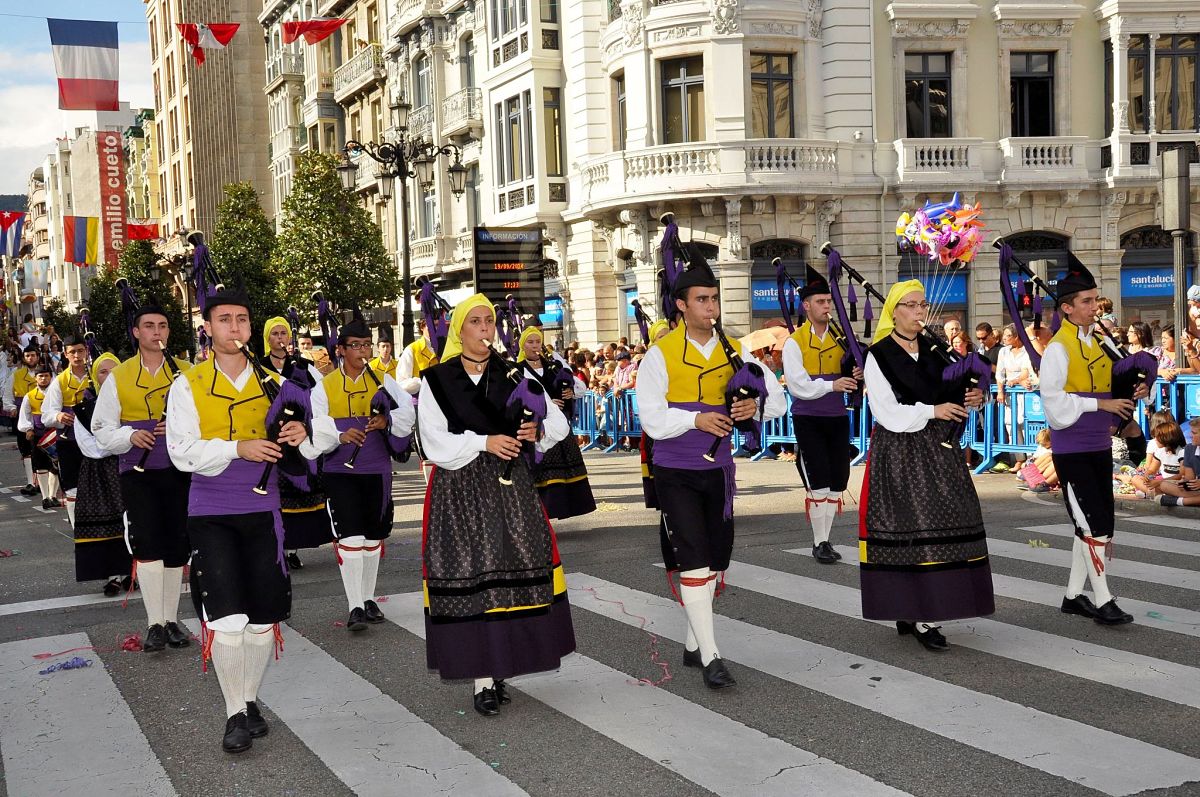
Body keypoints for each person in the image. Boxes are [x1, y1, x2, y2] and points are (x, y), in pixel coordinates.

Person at [166, 285, 319, 754]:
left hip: (263, 512)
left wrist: (300, 433)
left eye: (242, 320)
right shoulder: (187, 384)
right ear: (207, 329)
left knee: (259, 621)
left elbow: (316, 447)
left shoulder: (276, 383)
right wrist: (238, 448)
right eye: (225, 320)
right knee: (227, 618)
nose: (235, 328)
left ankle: (249, 700)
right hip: (211, 512)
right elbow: (181, 452)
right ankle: (235, 713)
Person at [418, 294, 575, 716]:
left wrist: (534, 428)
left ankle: (502, 664)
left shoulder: (514, 373)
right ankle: (482, 679)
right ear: (460, 330)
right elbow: (434, 442)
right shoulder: (436, 380)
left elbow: (557, 425)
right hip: (461, 490)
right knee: (476, 577)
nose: (485, 329)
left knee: (512, 574)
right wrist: (484, 441)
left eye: (490, 321)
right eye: (476, 322)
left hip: (512, 490)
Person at [638, 254, 787, 687]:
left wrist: (749, 405)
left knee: (716, 562)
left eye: (715, 299)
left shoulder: (735, 351)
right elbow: (650, 417)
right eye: (702, 299)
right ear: (681, 305)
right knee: (694, 558)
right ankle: (711, 656)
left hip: (719, 473)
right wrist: (696, 419)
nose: (711, 307)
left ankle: (692, 642)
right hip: (675, 470)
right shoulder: (660, 354)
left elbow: (776, 402)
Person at [859, 280, 993, 652]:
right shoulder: (879, 354)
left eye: (923, 305)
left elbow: (955, 393)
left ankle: (921, 609)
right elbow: (885, 412)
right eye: (911, 305)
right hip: (900, 451)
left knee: (942, 522)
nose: (920, 312)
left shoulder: (936, 350)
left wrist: (974, 396)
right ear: (894, 311)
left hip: (939, 450)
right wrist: (931, 410)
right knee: (912, 526)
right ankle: (917, 613)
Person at [1040, 258, 1147, 626]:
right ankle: (1103, 599)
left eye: (1095, 299)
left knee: (1089, 525)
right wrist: (1100, 403)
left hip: (1100, 446)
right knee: (1094, 525)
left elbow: (1120, 381)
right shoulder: (1057, 348)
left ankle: (1073, 596)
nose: (1094, 307)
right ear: (1066, 307)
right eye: (1086, 301)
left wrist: (1139, 386)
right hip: (1072, 451)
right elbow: (1054, 405)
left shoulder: (1100, 343)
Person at [93, 298, 194, 652]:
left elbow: (204, 420)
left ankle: (171, 621)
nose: (157, 332)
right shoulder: (119, 376)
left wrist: (180, 426)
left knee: (176, 546)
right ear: (136, 333)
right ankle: (154, 623)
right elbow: (102, 428)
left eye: (162, 326)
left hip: (180, 469)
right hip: (138, 471)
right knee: (148, 545)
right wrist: (130, 435)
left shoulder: (186, 371)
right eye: (149, 326)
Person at [310, 316, 415, 631]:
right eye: (356, 345)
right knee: (351, 537)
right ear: (341, 349)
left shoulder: (384, 379)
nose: (363, 350)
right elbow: (314, 424)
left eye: (367, 344)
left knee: (373, 538)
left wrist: (386, 421)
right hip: (340, 470)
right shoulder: (323, 385)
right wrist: (340, 436)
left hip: (377, 469)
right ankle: (355, 605)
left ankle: (368, 599)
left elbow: (407, 413)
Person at [781, 265, 862, 564]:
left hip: (837, 417)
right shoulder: (795, 342)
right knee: (818, 481)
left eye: (829, 301)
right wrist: (833, 384)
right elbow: (799, 386)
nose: (827, 306)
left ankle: (826, 540)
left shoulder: (842, 337)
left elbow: (853, 372)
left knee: (837, 480)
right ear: (806, 305)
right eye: (820, 302)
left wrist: (855, 372)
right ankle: (821, 541)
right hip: (809, 418)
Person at [261, 316, 329, 570]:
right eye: (275, 333)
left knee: (297, 496)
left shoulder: (304, 367)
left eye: (284, 333)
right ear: (268, 339)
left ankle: (292, 549)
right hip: (269, 439)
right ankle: (276, 545)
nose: (280, 338)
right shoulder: (258, 366)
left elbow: (319, 397)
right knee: (274, 497)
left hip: (298, 439)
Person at [516, 326, 596, 519]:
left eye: (538, 342)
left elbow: (576, 386)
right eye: (530, 342)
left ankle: (566, 508)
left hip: (560, 425)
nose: (535, 346)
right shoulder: (517, 370)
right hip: (538, 426)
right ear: (522, 345)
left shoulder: (553, 366)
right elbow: (519, 398)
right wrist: (545, 404)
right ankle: (543, 513)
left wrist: (569, 394)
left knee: (566, 469)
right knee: (542, 470)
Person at [71, 352, 131, 595]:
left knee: (130, 522)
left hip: (127, 469)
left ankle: (130, 572)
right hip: (99, 475)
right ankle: (111, 576)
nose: (108, 376)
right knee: (105, 525)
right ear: (95, 377)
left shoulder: (130, 402)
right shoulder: (84, 410)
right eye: (102, 372)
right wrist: (122, 441)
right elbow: (92, 448)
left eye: (113, 370)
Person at [40, 335, 91, 528]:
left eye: (80, 351)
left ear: (86, 351)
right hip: (69, 440)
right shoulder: (59, 381)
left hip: (97, 439)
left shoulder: (96, 375)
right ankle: (77, 528)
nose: (77, 356)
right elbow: (46, 415)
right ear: (65, 354)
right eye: (72, 352)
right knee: (72, 486)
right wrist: (59, 416)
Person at [17, 364, 61, 509]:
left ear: (51, 376)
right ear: (36, 378)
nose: (43, 379)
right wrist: (28, 429)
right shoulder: (29, 396)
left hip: (55, 433)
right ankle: (44, 497)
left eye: (46, 375)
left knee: (55, 466)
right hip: (38, 435)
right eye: (40, 376)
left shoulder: (57, 393)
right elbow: (25, 415)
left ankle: (53, 496)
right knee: (41, 466)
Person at [12, 340, 42, 495]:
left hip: (41, 417)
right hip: (23, 416)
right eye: (27, 356)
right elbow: (7, 394)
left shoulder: (46, 373)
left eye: (33, 355)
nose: (30, 358)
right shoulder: (16, 375)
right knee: (26, 450)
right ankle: (31, 482)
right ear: (24, 358)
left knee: (43, 449)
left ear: (38, 357)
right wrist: (11, 407)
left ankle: (42, 483)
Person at [1159, 417, 1200, 507]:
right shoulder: (1189, 449)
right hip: (1196, 491)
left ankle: (1181, 501)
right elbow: (1190, 477)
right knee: (1164, 485)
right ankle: (1194, 500)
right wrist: (1185, 483)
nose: (1190, 435)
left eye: (1194, 433)